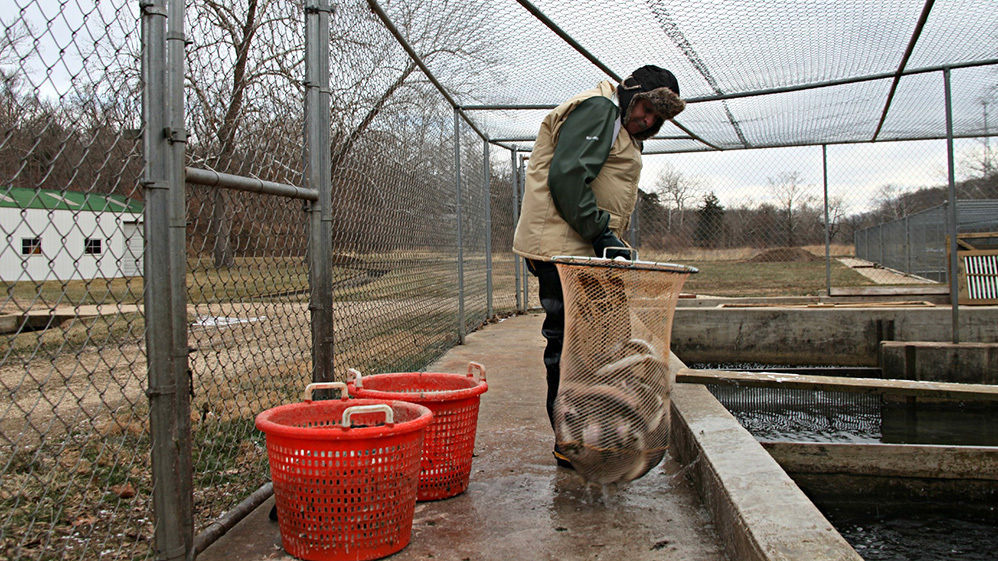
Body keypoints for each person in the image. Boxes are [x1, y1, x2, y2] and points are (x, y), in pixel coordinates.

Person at [511, 65, 685, 468]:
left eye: (656, 119)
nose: (647, 120)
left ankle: (592, 432)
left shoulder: (618, 122)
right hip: (563, 247)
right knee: (569, 341)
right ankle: (570, 443)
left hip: (579, 247)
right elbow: (568, 177)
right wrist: (602, 233)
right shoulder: (600, 110)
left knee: (591, 341)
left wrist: (608, 240)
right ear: (632, 92)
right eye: (646, 109)